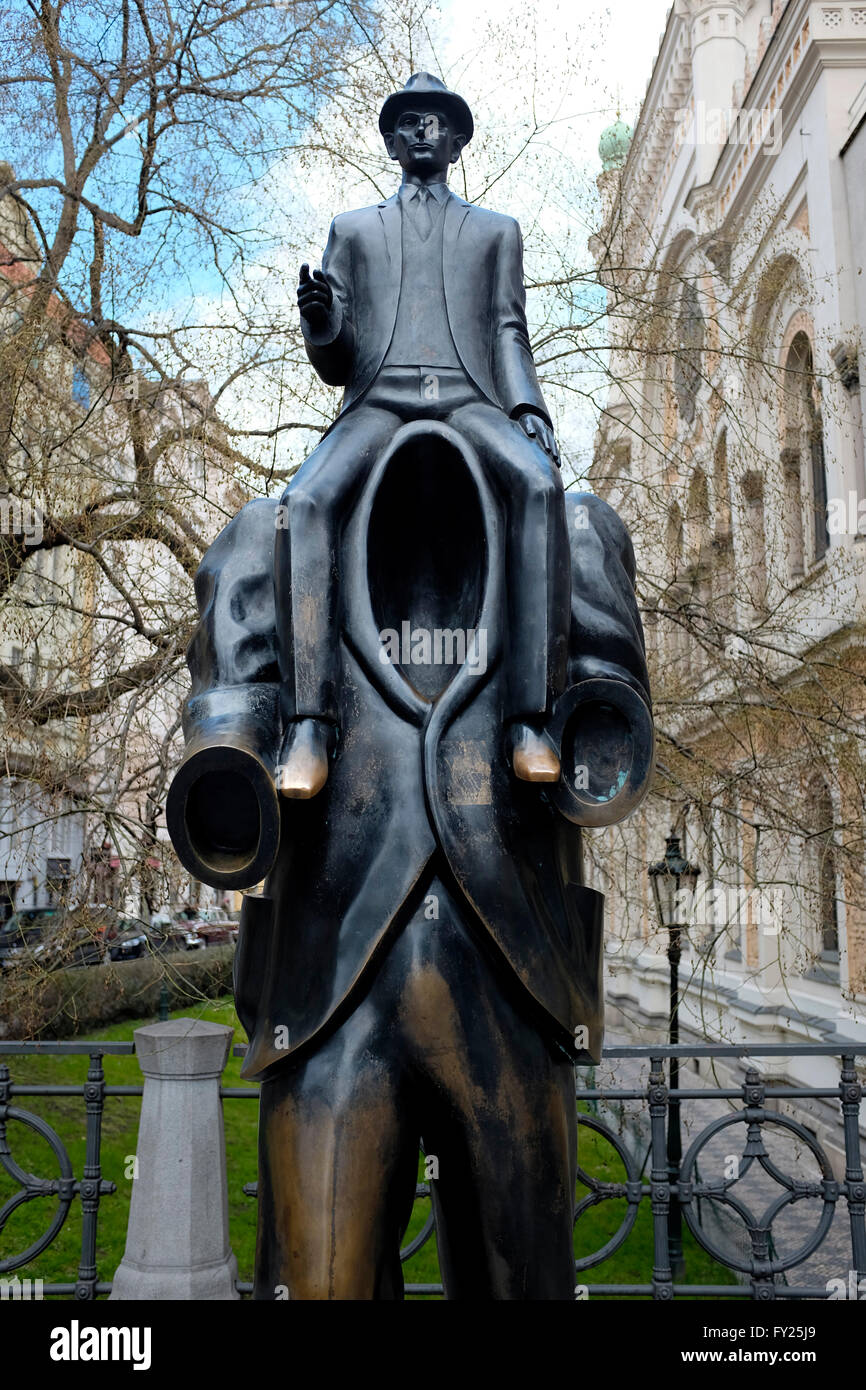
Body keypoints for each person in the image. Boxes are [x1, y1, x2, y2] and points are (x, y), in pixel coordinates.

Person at [275, 71, 570, 799]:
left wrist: (529, 411)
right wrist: (322, 323)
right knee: (304, 504)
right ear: (390, 140)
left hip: (471, 400)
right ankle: (310, 723)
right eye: (407, 122)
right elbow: (336, 359)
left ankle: (526, 720)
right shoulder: (353, 230)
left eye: (436, 122)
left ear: (459, 140)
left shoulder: (497, 233)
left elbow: (509, 333)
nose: (422, 131)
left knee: (538, 485)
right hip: (380, 401)